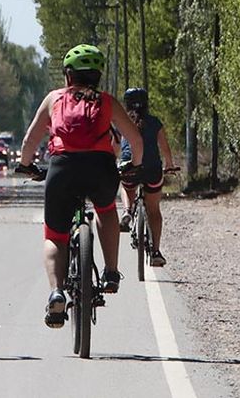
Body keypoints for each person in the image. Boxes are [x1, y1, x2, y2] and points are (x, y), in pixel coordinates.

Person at [15, 44, 142, 328]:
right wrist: (133, 165)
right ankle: (110, 272)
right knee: (107, 209)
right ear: (97, 76)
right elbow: (135, 140)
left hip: (62, 169)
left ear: (68, 75)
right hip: (100, 168)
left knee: (55, 236)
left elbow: (29, 141)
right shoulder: (107, 102)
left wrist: (26, 165)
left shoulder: (54, 99)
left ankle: (57, 291)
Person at [117, 87, 174, 267]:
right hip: (152, 169)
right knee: (154, 209)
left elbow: (116, 146)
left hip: (130, 167)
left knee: (126, 186)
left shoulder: (122, 122)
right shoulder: (154, 122)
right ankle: (156, 251)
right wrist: (169, 165)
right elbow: (164, 147)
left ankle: (127, 211)